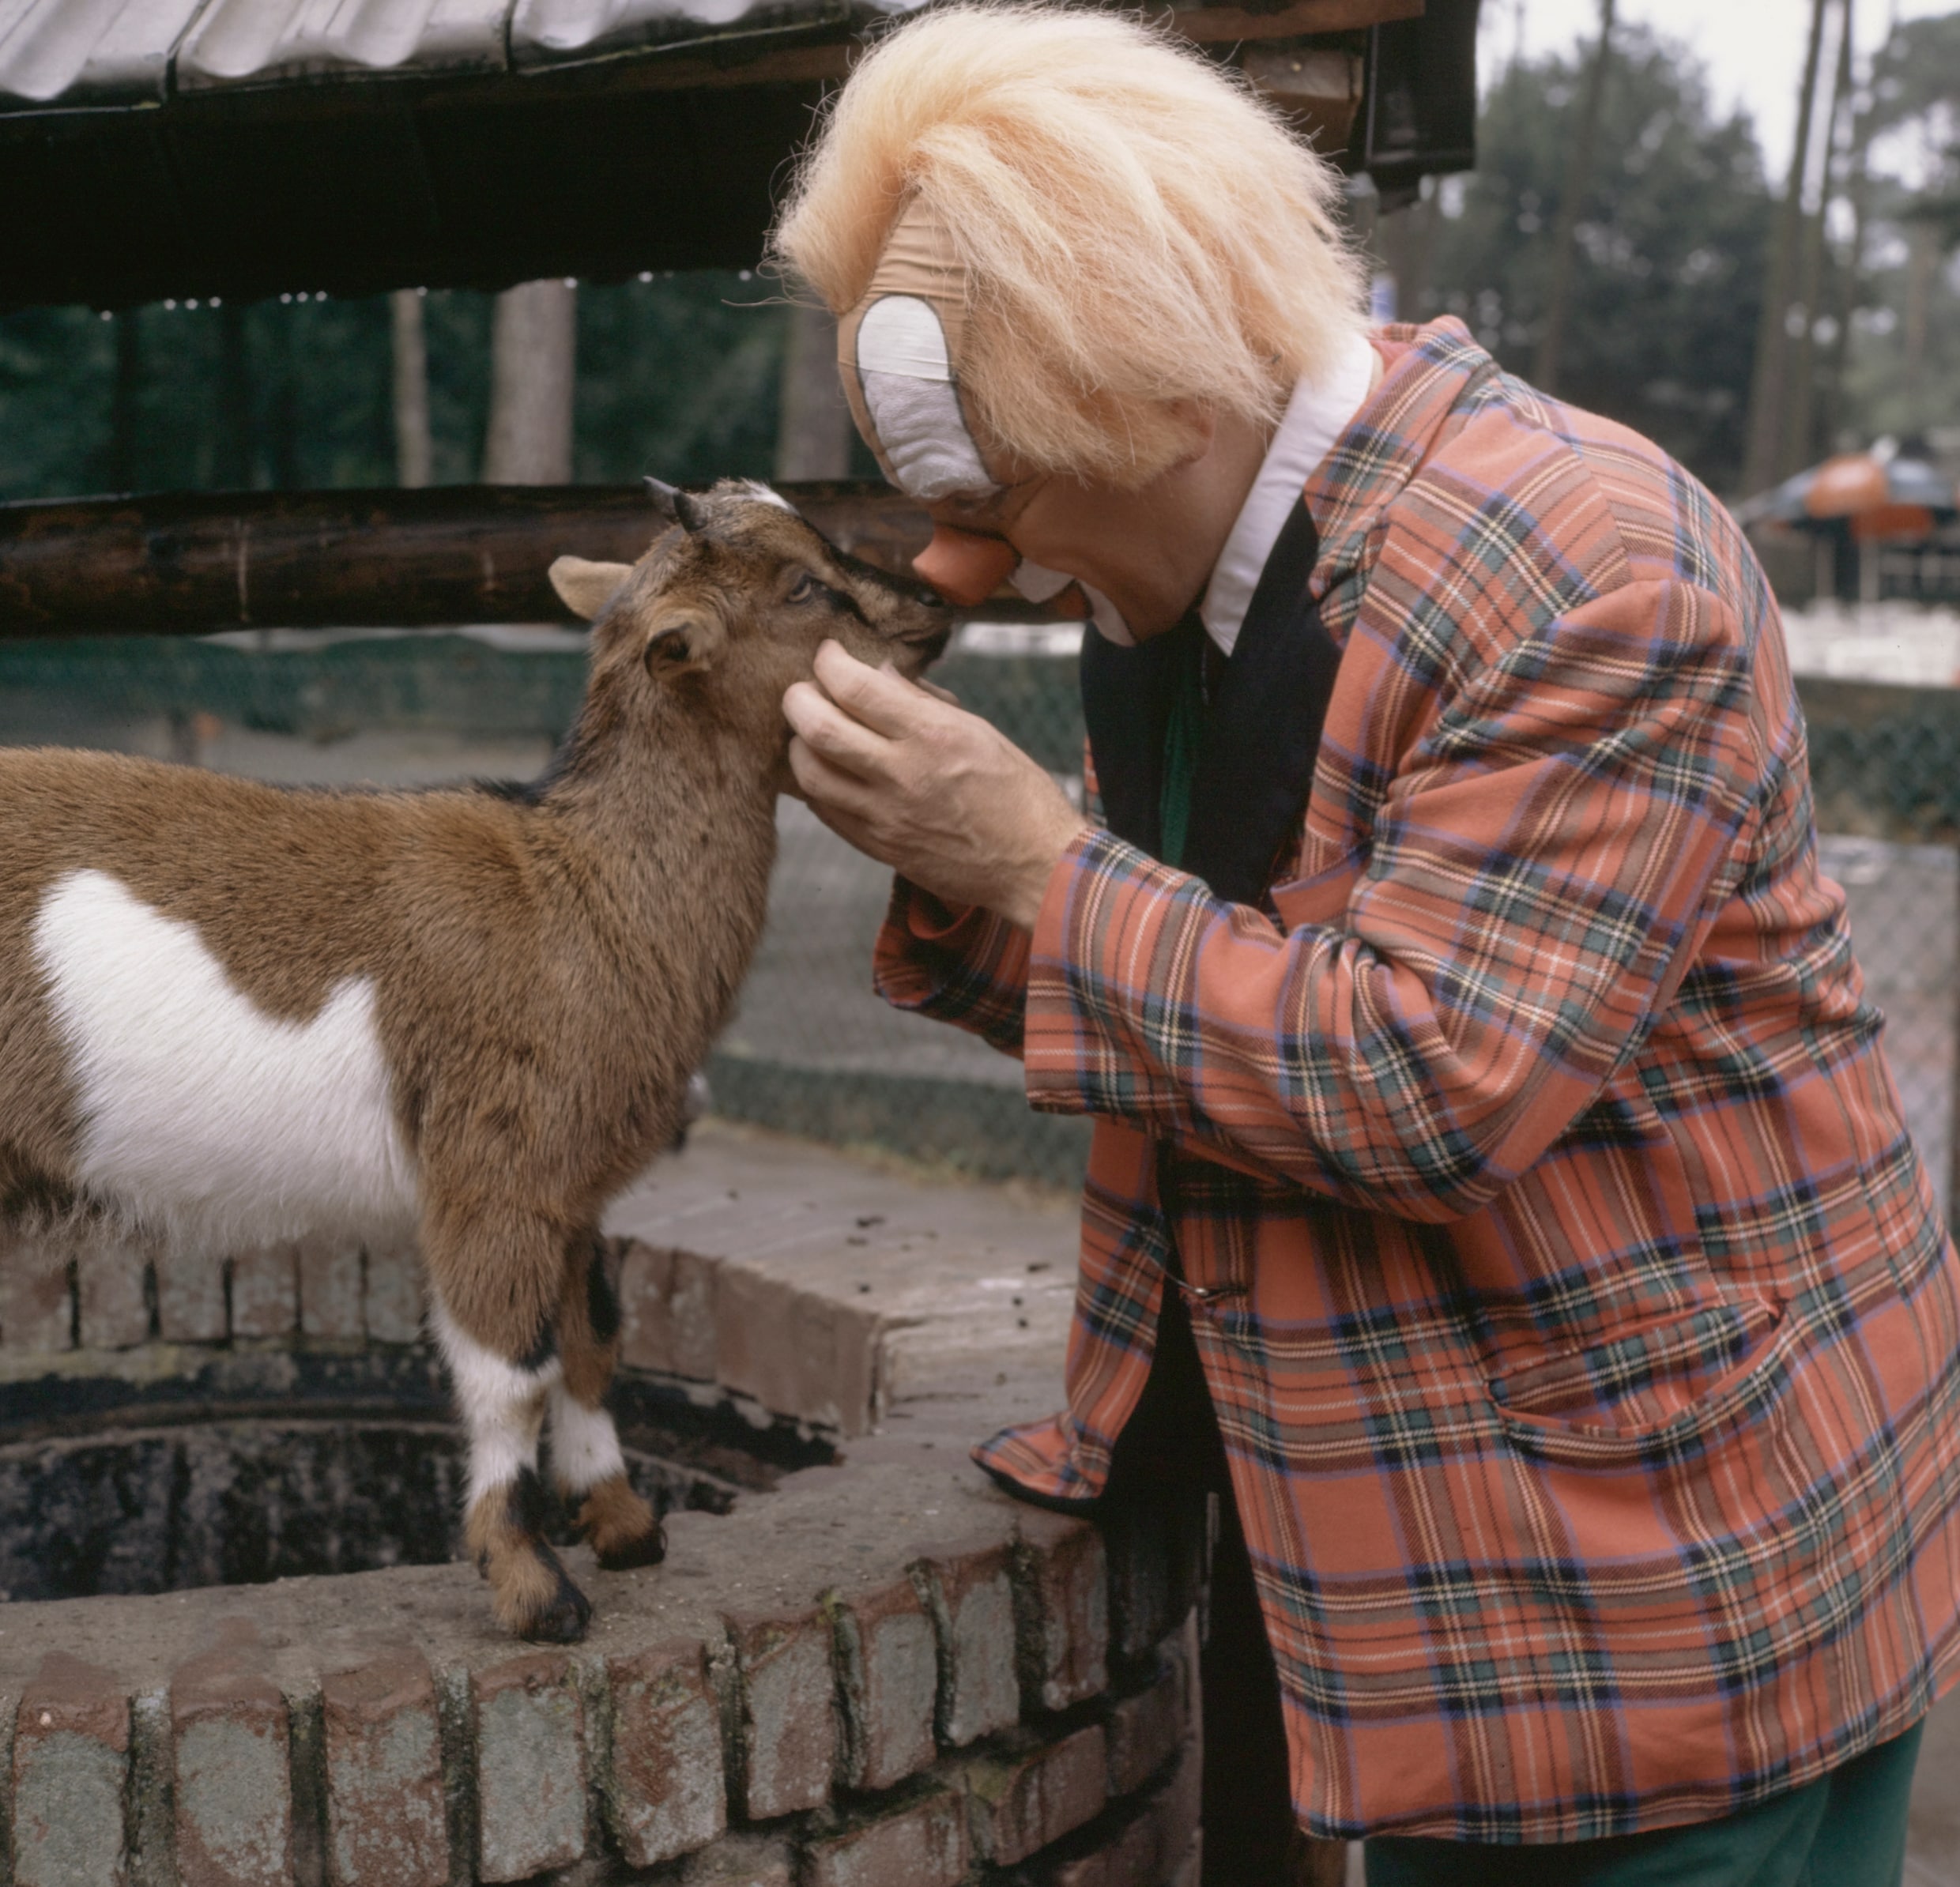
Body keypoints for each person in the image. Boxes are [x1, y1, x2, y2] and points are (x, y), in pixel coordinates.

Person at [769, 8, 1960, 1881]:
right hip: (1432, 1569)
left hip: (1655, 1607)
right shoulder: (1187, 588)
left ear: (1151, 389)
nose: (956, 574)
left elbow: (1424, 1082)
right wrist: (965, 868)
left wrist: (1031, 868)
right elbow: (1208, 1021)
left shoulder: (1586, 565)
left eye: (995, 505)